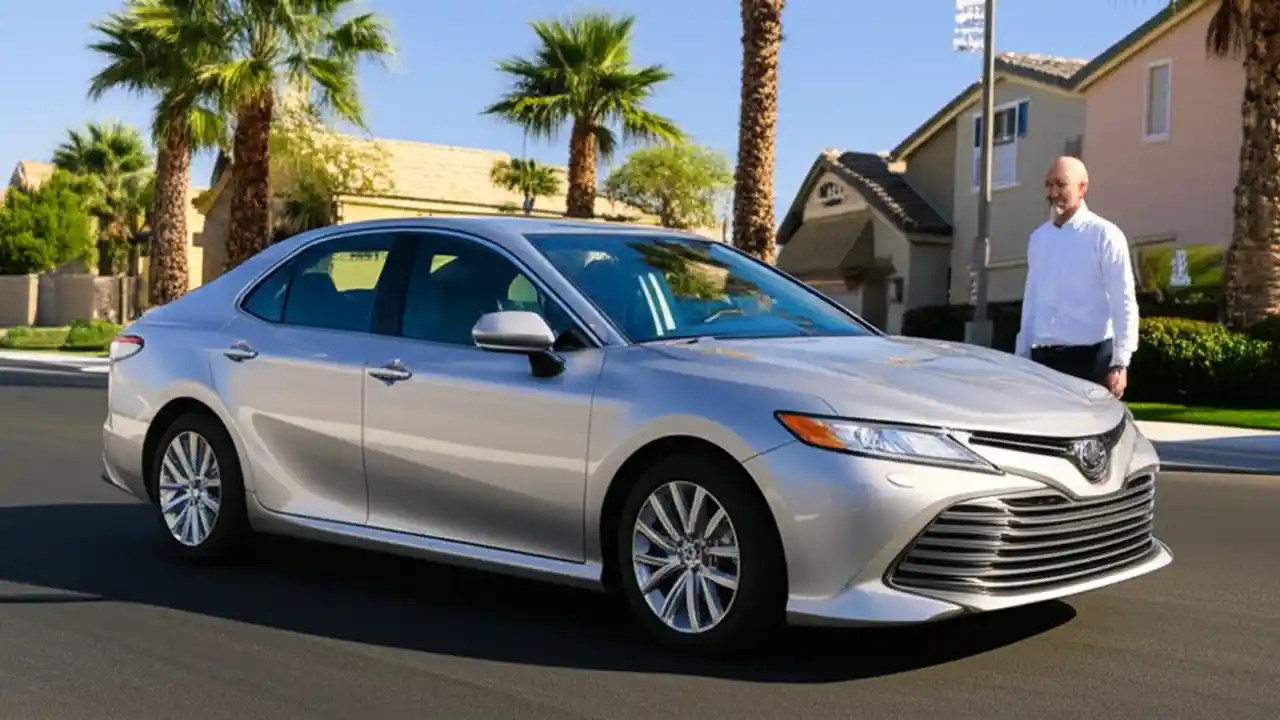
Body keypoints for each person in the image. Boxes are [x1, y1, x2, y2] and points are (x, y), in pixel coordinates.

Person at [1015, 156, 1139, 398]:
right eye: (1049, 185)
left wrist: (1120, 361)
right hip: (1043, 361)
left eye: (1062, 185)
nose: (1053, 192)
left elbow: (1123, 300)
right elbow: (1032, 299)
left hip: (1091, 361)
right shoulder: (1039, 239)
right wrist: (1022, 355)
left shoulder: (1105, 235)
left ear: (1083, 188)